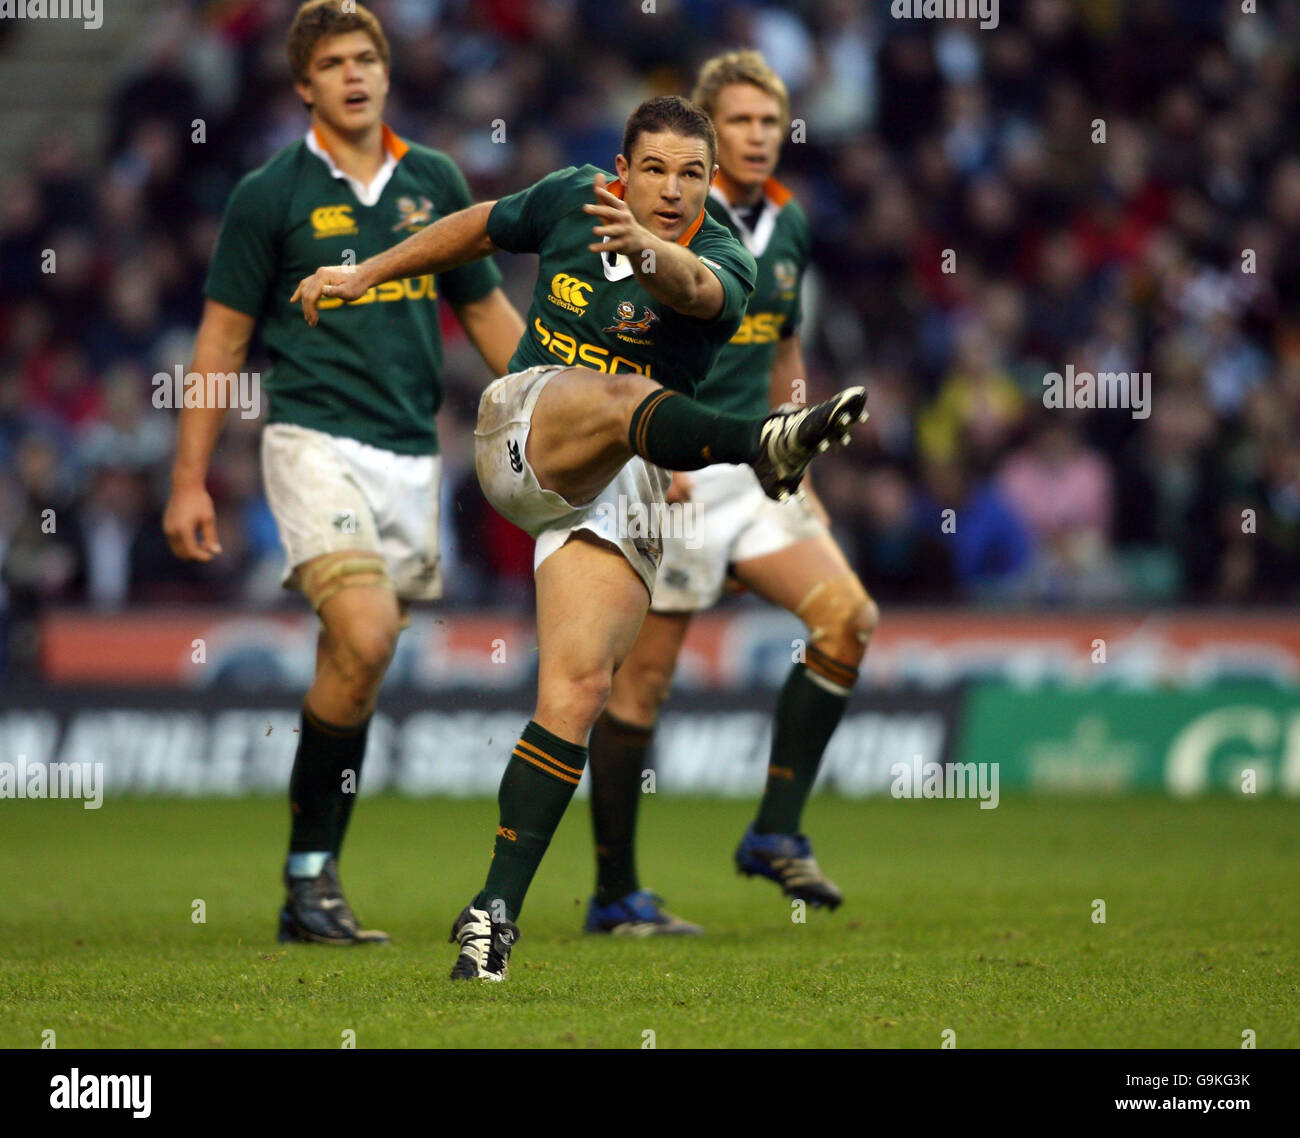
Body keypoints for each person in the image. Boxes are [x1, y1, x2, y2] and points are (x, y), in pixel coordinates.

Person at [292, 95, 869, 980]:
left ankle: (491, 916)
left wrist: (648, 251)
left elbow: (697, 290)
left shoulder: (725, 257)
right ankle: (760, 443)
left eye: (691, 174)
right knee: (625, 393)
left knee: (579, 689)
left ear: (710, 181)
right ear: (622, 170)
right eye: (655, 170)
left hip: (621, 483)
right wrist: (366, 272)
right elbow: (479, 226)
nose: (672, 189)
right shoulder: (571, 195)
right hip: (523, 429)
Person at [162, 0, 524, 946]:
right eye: (333, 63)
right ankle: (310, 877)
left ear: (388, 71)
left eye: (367, 57)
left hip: (411, 456)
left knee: (354, 667)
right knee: (363, 636)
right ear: (303, 85)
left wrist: (561, 403)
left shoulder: (436, 179)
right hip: (312, 441)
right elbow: (221, 341)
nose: (355, 74)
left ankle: (307, 882)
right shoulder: (269, 194)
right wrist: (189, 477)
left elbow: (485, 313)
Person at [582, 52, 881, 937]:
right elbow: (614, 336)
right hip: (669, 465)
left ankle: (775, 832)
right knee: (639, 690)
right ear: (708, 138)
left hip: (755, 467)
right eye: (740, 122)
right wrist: (648, 444)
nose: (758, 136)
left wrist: (801, 456)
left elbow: (784, 345)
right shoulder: (665, 214)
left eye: (770, 121)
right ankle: (615, 894)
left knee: (848, 619)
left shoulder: (790, 222)